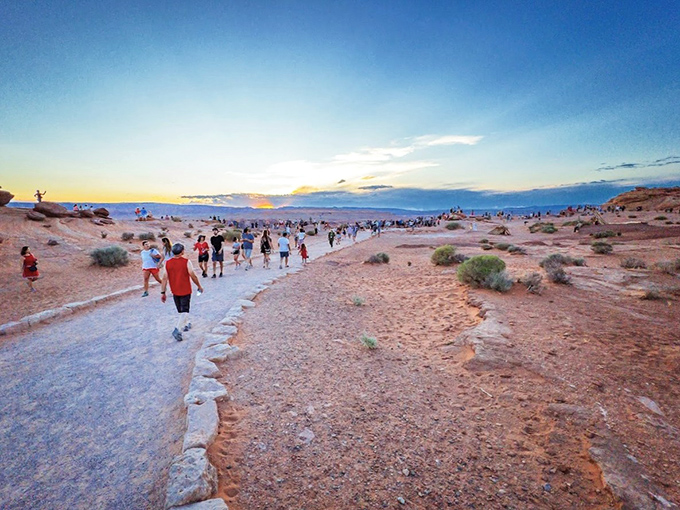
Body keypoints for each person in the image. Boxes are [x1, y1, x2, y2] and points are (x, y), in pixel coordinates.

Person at [161, 243, 204, 341]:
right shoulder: (186, 262)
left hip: (174, 290)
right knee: (185, 310)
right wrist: (199, 286)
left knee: (180, 310)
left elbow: (164, 278)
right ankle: (177, 329)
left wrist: (162, 292)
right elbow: (193, 275)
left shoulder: (167, 263)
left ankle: (186, 324)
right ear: (182, 251)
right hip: (185, 289)